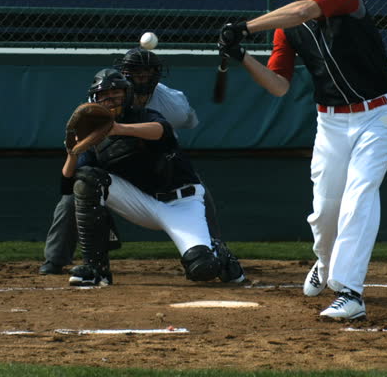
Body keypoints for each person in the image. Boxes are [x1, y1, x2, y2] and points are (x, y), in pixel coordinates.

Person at [217, 0, 387, 320]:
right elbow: (279, 85)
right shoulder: (286, 31)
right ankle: (325, 261)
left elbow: (304, 11)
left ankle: (350, 291)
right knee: (324, 211)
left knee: (359, 197)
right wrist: (242, 55)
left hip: (374, 116)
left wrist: (245, 27)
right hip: (330, 123)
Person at [39, 48, 242, 283]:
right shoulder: (93, 134)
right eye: (105, 96)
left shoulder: (145, 114)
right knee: (85, 180)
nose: (111, 100)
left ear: (126, 95)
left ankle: (220, 254)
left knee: (202, 268)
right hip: (139, 201)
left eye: (116, 95)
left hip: (179, 202)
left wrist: (117, 129)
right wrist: (72, 153)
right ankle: (96, 270)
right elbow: (66, 185)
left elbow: (161, 131)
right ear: (94, 100)